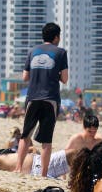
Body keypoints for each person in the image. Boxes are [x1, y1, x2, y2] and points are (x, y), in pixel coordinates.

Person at [15, 22, 69, 177]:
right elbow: (65, 79)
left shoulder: (32, 51)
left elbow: (25, 77)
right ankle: (43, 174)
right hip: (50, 98)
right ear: (56, 37)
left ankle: (18, 167)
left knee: (26, 135)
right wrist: (53, 75)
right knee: (46, 139)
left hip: (32, 96)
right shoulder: (61, 52)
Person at [0, 141, 70, 178]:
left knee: (74, 159)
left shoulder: (0, 154)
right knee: (73, 154)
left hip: (39, 163)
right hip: (37, 166)